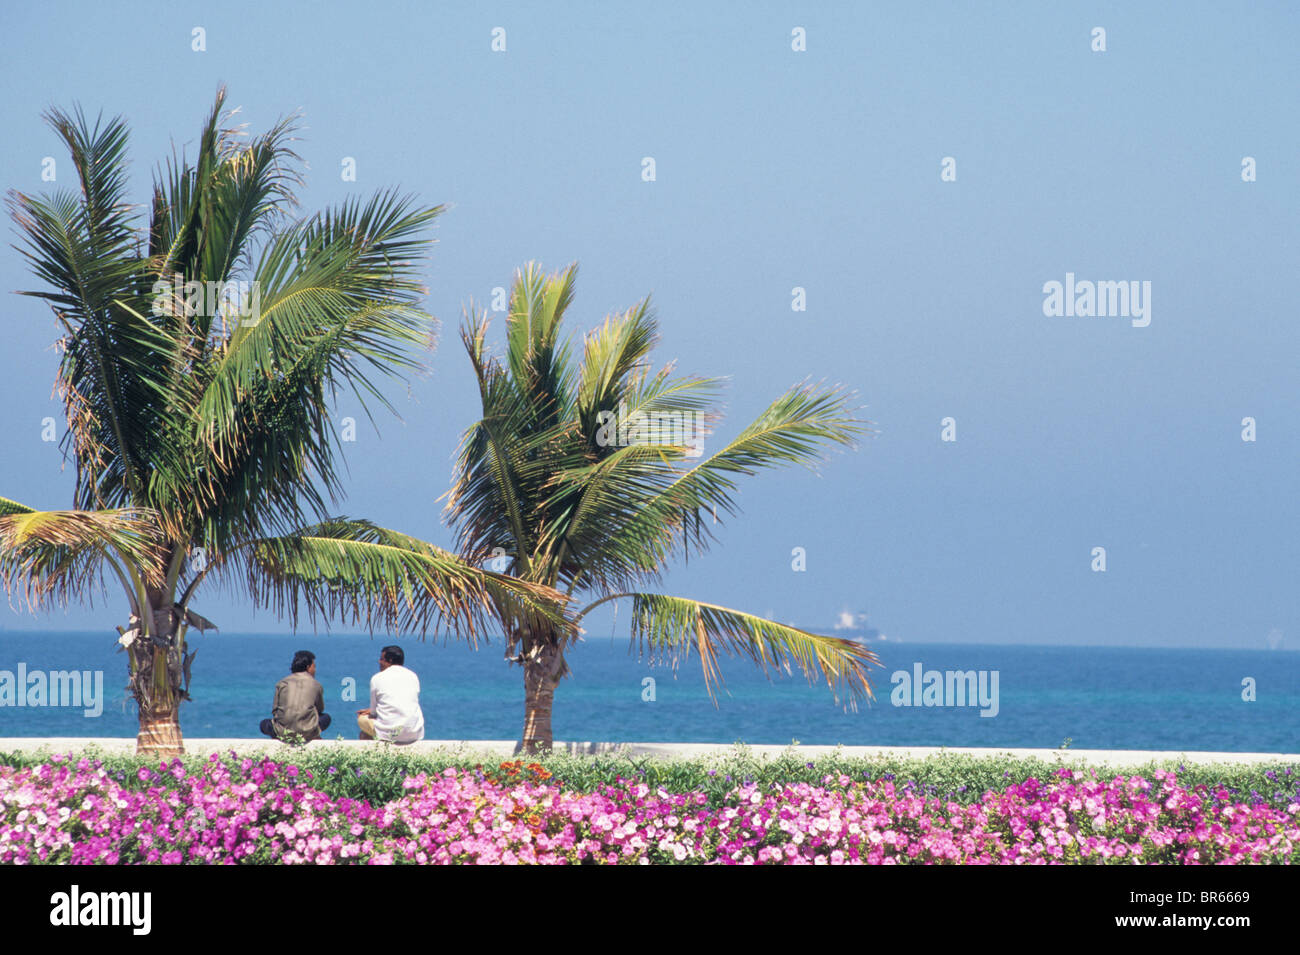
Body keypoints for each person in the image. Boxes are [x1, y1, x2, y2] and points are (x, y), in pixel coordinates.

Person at [260, 650, 331, 743]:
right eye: (314, 666)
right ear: (308, 667)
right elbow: (320, 710)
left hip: (283, 732)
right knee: (326, 718)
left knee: (264, 724)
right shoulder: (316, 685)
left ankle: (282, 738)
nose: (315, 670)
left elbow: (275, 711)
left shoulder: (282, 683)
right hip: (308, 732)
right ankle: (312, 736)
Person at [357, 645, 424, 744]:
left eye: (381, 659)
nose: (379, 662)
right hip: (414, 732)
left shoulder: (377, 678)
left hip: (390, 733)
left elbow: (373, 714)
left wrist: (370, 711)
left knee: (361, 720)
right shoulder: (413, 676)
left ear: (390, 660)